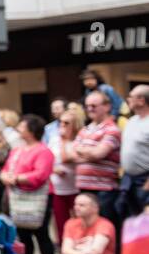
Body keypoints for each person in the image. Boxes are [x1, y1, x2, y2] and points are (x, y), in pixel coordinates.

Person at [1, 114, 55, 254]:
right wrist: (5, 176)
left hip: (38, 198)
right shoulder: (17, 150)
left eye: (22, 126)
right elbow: (5, 169)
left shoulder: (43, 151)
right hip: (17, 198)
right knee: (23, 235)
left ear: (31, 130)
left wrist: (17, 178)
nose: (18, 129)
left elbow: (41, 174)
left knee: (41, 234)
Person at [74, 89, 122, 243]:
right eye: (87, 106)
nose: (90, 109)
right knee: (88, 229)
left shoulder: (112, 129)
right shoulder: (85, 129)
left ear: (107, 106)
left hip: (104, 190)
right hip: (84, 187)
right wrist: (90, 153)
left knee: (105, 229)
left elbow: (99, 153)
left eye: (94, 105)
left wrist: (84, 152)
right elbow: (71, 155)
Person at [48, 107, 82, 239]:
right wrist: (53, 169)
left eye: (67, 123)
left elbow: (66, 158)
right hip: (58, 190)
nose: (62, 125)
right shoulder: (54, 140)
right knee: (60, 224)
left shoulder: (78, 140)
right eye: (61, 122)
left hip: (75, 189)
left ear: (75, 125)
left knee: (78, 223)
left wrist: (63, 141)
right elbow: (47, 161)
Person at [119, 84, 149, 222]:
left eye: (130, 96)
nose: (127, 99)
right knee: (132, 218)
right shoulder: (131, 121)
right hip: (129, 178)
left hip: (145, 179)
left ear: (142, 100)